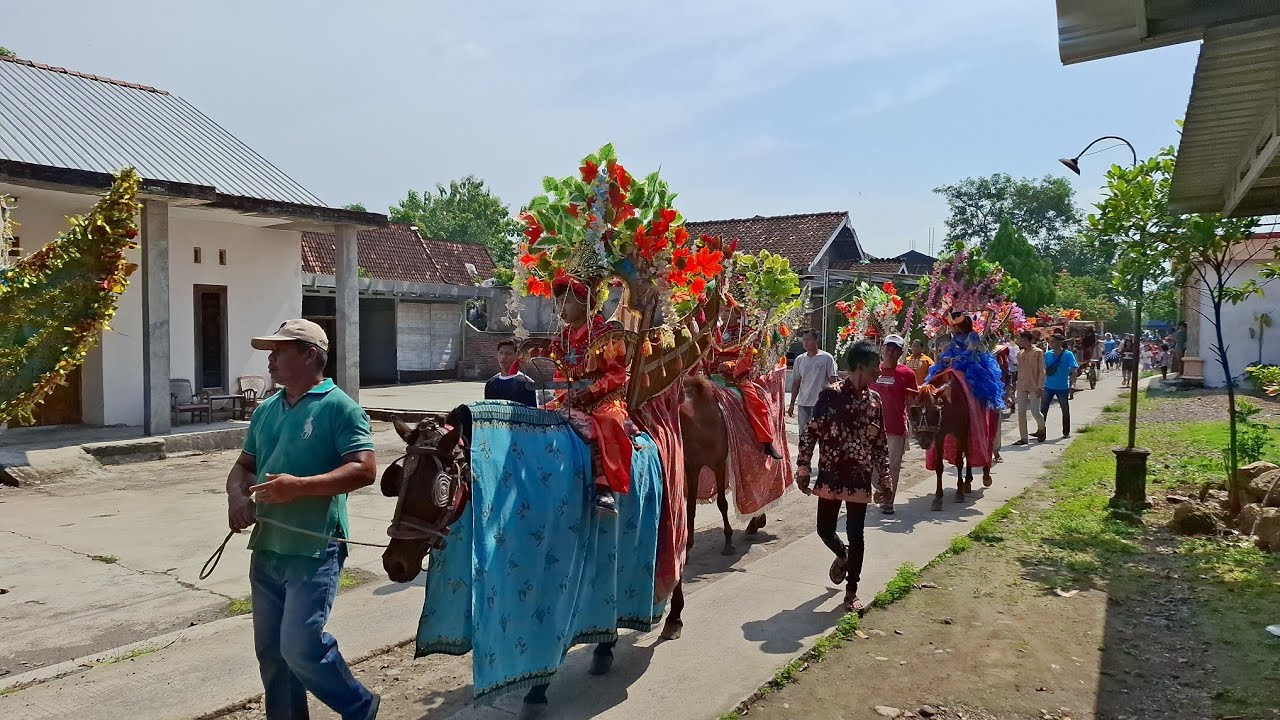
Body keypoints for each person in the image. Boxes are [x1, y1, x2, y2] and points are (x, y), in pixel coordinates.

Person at [226, 319, 380, 720]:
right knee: (273, 654)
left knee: (300, 647)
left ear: (310, 354)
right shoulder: (266, 410)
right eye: (270, 352)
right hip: (267, 546)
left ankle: (360, 706)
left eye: (279, 351)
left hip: (315, 546)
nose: (270, 359)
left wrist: (299, 487)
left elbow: (364, 470)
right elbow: (243, 466)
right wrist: (237, 497)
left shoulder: (340, 408)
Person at [796, 340, 890, 614]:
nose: (879, 370)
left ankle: (851, 592)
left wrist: (884, 477)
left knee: (856, 534)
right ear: (860, 366)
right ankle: (842, 555)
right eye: (876, 365)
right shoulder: (830, 396)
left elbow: (880, 443)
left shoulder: (875, 400)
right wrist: (803, 467)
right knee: (824, 529)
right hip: (830, 474)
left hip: (859, 478)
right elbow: (810, 433)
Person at [539, 275, 634, 515]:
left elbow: (618, 374)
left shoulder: (606, 333)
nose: (561, 308)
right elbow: (561, 376)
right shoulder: (562, 340)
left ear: (585, 303)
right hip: (572, 399)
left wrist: (590, 391)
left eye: (567, 302)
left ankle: (604, 487)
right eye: (558, 303)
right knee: (537, 417)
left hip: (605, 398)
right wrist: (565, 394)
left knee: (610, 422)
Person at [712, 303, 783, 460]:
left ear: (737, 314)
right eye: (722, 311)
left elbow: (747, 356)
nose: (723, 314)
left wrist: (730, 366)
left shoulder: (746, 332)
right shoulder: (715, 331)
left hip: (737, 376)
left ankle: (766, 442)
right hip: (714, 372)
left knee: (756, 404)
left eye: (728, 311)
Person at [871, 334, 917, 514]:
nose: (890, 352)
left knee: (892, 466)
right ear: (882, 349)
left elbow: (912, 402)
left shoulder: (907, 374)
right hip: (871, 428)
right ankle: (881, 488)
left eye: (894, 349)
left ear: (900, 352)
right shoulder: (872, 369)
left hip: (895, 428)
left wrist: (913, 425)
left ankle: (888, 501)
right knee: (870, 464)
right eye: (887, 348)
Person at [787, 329, 840, 433]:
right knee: (804, 435)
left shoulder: (826, 358)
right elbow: (796, 382)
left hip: (820, 403)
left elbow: (833, 381)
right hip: (803, 404)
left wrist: (835, 403)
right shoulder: (799, 359)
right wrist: (792, 403)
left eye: (808, 339)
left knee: (822, 433)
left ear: (816, 340)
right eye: (804, 340)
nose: (805, 343)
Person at [1040, 333, 1079, 438]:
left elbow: (1074, 369)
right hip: (1048, 386)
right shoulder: (1047, 354)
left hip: (1062, 387)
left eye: (1052, 341)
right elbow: (1043, 369)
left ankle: (1066, 432)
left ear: (1059, 342)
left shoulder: (1068, 355)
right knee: (1043, 410)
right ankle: (1041, 431)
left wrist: (1073, 384)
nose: (1050, 343)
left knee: (1065, 409)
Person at [1012, 330, 1046, 445]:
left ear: (1026, 340)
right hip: (1022, 385)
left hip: (1034, 385)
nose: (1018, 341)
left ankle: (1041, 429)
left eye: (1019, 339)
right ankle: (1023, 437)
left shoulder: (1038, 352)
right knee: (1021, 412)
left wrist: (1040, 386)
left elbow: (1042, 370)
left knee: (1035, 411)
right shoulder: (1019, 354)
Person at [484, 340, 537, 407]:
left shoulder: (527, 383)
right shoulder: (491, 383)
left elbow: (532, 413)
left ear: (517, 356)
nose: (503, 357)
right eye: (500, 353)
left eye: (508, 354)